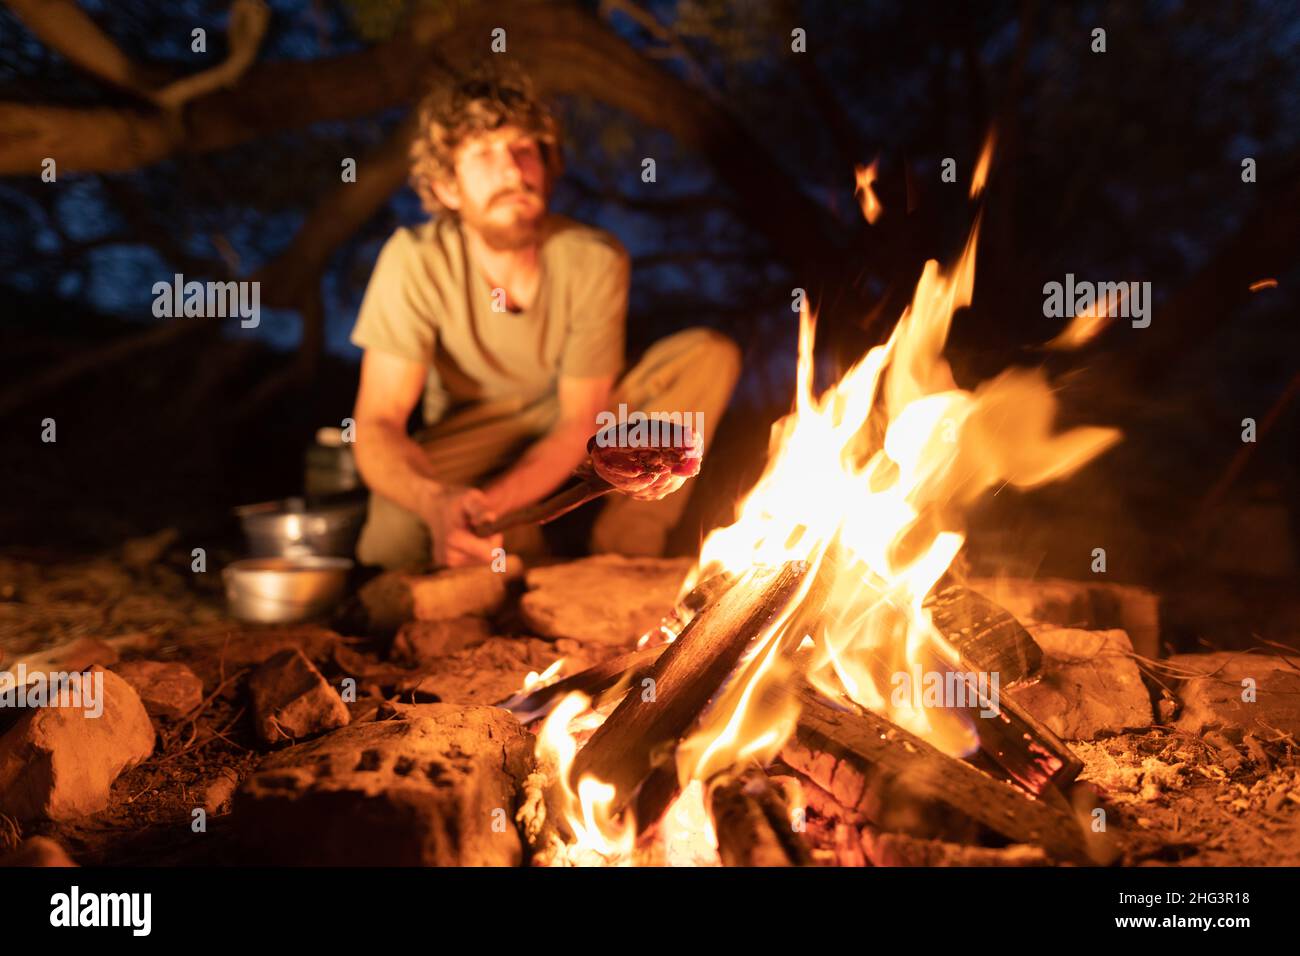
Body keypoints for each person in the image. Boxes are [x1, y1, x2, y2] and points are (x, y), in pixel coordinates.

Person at [349, 68, 741, 570]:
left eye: (524, 150)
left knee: (707, 357)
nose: (513, 173)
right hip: (474, 435)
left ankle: (623, 558)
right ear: (447, 188)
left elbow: (582, 419)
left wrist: (491, 508)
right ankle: (517, 550)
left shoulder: (593, 257)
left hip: (576, 419)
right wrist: (437, 502)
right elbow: (378, 421)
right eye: (485, 155)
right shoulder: (414, 259)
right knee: (396, 542)